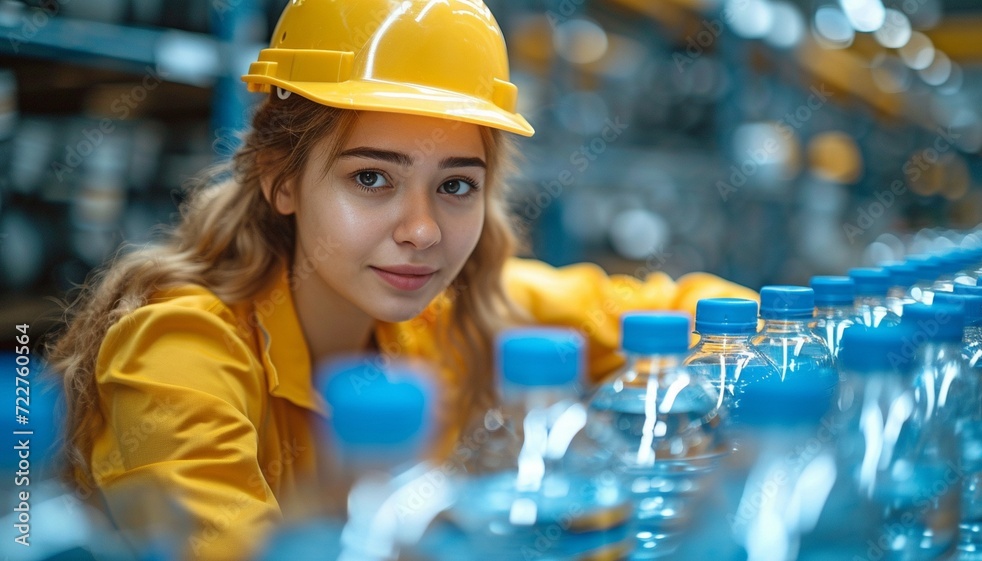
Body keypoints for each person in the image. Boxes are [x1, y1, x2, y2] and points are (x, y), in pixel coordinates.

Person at [45, 0, 757, 559]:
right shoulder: (177, 351)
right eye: (372, 177)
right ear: (281, 179)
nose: (421, 230)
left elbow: (690, 311)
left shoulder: (453, 310)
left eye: (455, 186)